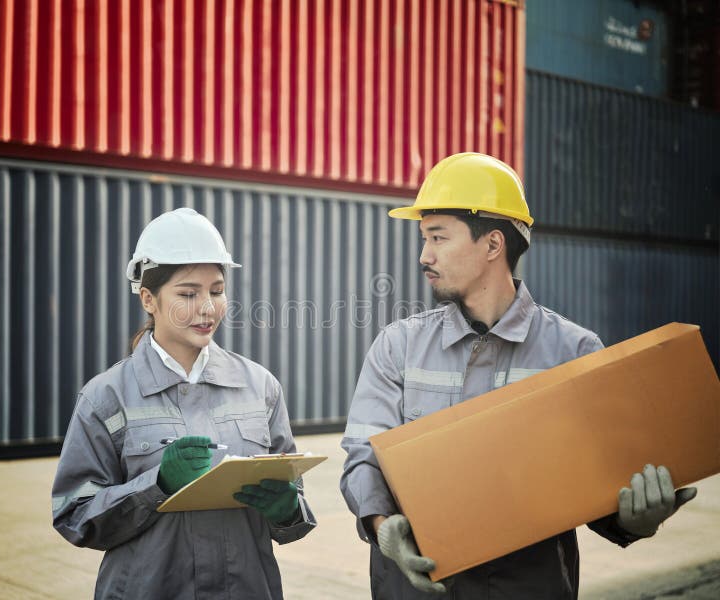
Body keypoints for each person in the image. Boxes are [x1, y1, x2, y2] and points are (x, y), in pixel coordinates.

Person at [339, 152, 697, 599]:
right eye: (423, 238)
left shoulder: (574, 351)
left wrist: (634, 519)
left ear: (492, 245)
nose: (423, 255)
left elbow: (600, 486)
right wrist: (381, 524)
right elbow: (362, 455)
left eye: (437, 237)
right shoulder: (398, 345)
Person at [52, 207, 315, 599]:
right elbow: (74, 515)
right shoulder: (106, 396)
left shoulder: (260, 387)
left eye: (217, 290)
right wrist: (155, 486)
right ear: (148, 299)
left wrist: (288, 510)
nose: (208, 307)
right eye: (188, 293)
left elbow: (293, 504)